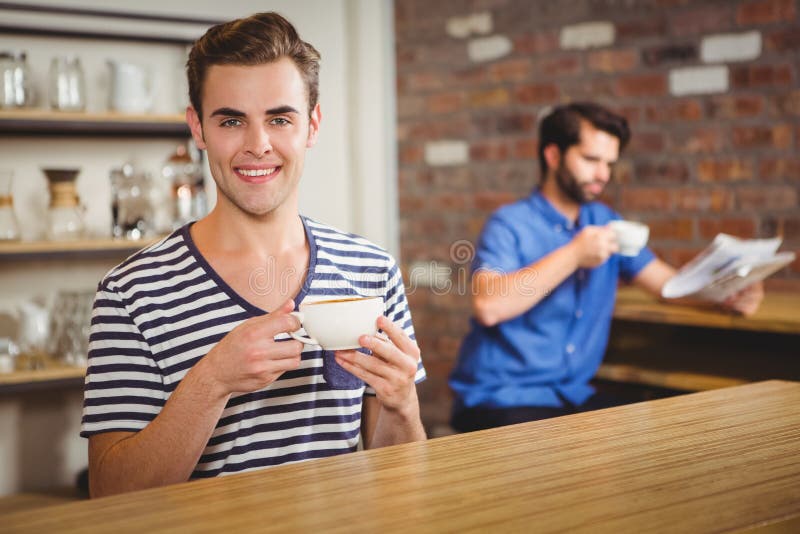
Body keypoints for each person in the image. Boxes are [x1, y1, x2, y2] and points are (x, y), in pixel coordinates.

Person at [81, 12, 426, 497]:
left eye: (280, 119)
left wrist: (401, 403)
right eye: (231, 120)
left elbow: (400, 482)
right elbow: (111, 497)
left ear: (313, 125)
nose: (258, 145)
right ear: (198, 128)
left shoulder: (372, 271)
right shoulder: (129, 293)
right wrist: (213, 380)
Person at [448, 102, 763, 433]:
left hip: (571, 395)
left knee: (656, 434)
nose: (603, 175)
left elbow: (668, 286)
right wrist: (574, 254)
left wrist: (726, 294)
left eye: (609, 163)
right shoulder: (509, 223)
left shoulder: (606, 222)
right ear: (553, 156)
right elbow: (489, 306)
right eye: (591, 160)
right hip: (502, 398)